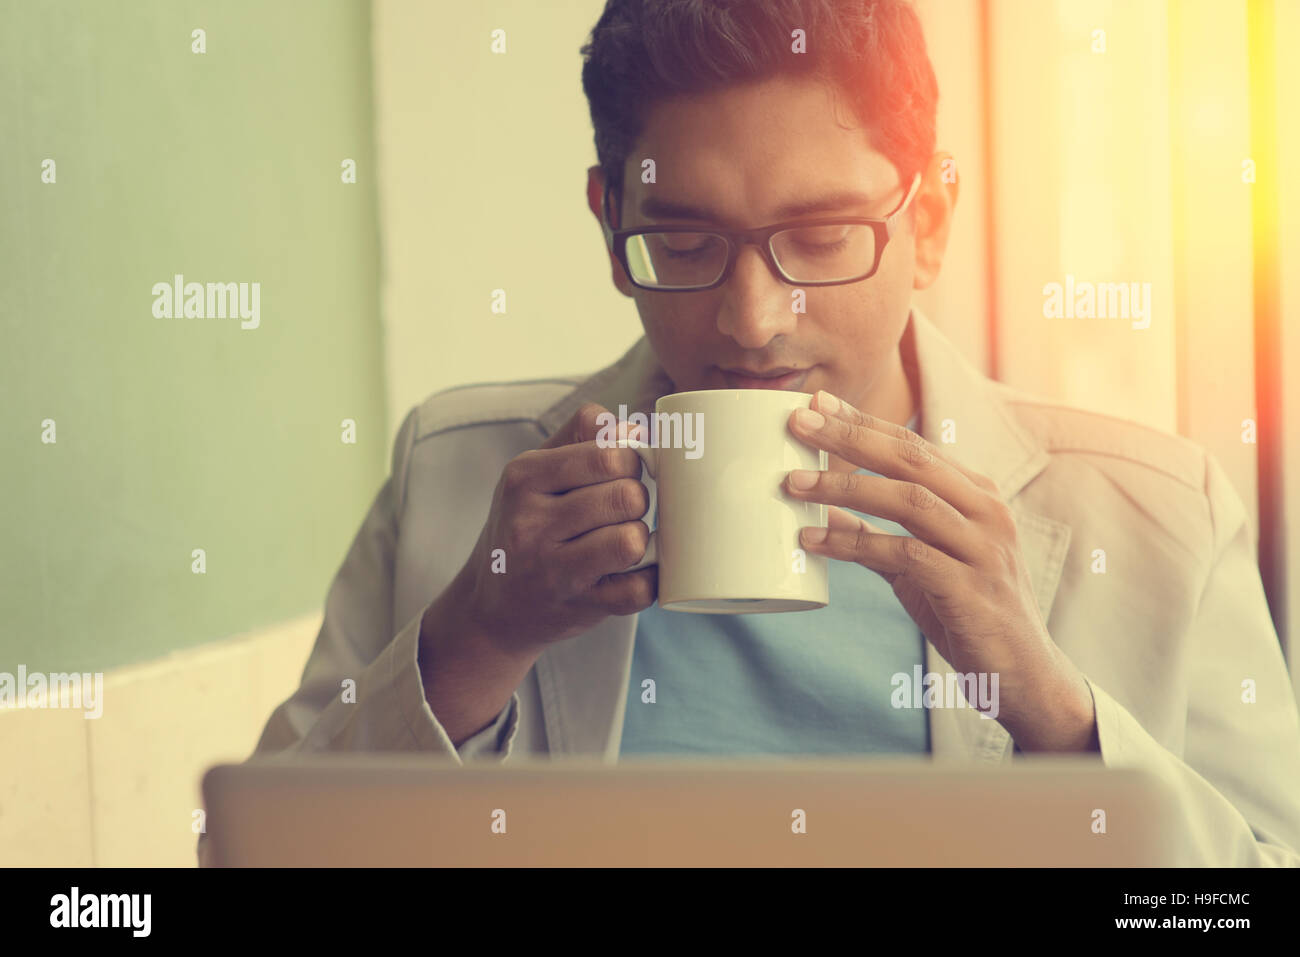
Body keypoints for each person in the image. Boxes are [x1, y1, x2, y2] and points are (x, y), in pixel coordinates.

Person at [198, 0, 1300, 866]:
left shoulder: (1156, 518)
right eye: (680, 244)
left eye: (821, 239)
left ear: (928, 226)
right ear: (608, 222)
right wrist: (471, 647)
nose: (750, 320)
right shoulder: (459, 475)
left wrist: (1059, 715)